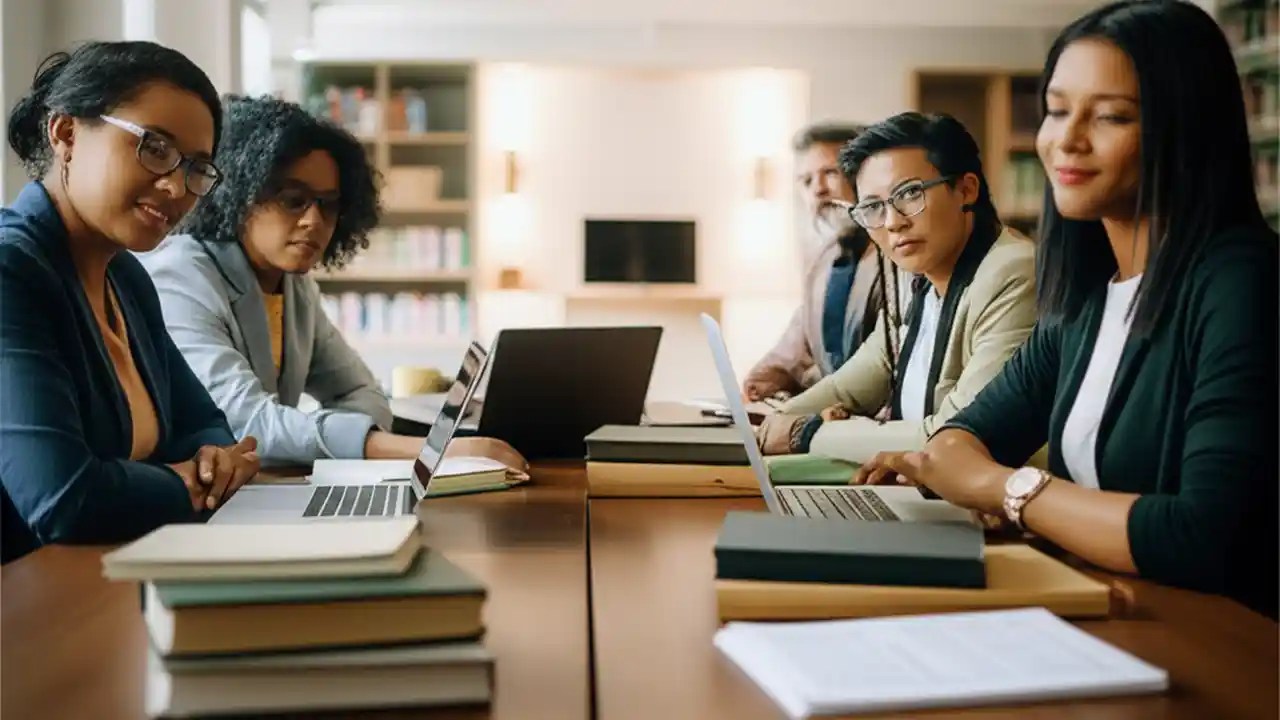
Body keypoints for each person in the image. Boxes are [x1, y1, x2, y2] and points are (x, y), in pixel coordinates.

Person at [860, 0, 1278, 617]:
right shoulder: (1084, 300)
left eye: (1110, 116)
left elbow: (1200, 534)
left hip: (1220, 647)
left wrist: (1008, 489)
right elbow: (956, 442)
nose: (1066, 141)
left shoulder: (1242, 281)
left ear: (1187, 129)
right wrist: (1000, 486)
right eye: (1056, 111)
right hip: (1110, 611)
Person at [0, 42, 260, 562]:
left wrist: (212, 460)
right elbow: (64, 498)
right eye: (155, 147)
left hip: (115, 569)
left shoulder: (127, 277)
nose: (175, 187)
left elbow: (204, 426)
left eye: (196, 168)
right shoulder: (12, 274)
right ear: (66, 132)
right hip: (29, 600)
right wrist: (189, 482)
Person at [141, 95, 432, 465]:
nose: (314, 220)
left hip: (260, 488)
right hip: (192, 506)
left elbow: (361, 391)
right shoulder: (181, 276)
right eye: (293, 199)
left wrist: (311, 437)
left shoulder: (295, 286)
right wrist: (384, 446)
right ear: (239, 195)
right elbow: (245, 424)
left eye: (328, 204)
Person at [754, 112, 1037, 465]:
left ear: (966, 189)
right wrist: (771, 424)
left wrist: (806, 433)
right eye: (873, 207)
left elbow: (957, 434)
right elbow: (846, 387)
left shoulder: (1012, 272)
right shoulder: (910, 279)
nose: (892, 222)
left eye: (909, 194)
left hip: (991, 508)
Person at [742, 123, 892, 401]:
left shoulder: (896, 258)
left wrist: (808, 386)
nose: (818, 190)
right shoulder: (823, 261)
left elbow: (881, 368)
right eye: (806, 181)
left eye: (830, 173)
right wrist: (761, 382)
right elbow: (794, 350)